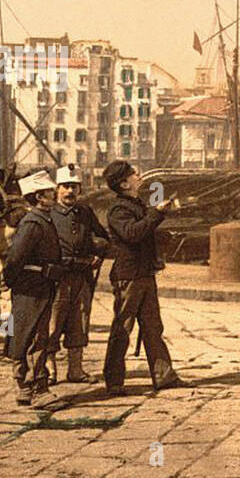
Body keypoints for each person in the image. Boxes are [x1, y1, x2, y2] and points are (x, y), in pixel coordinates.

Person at [100, 159, 187, 395]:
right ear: (124, 183)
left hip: (144, 274)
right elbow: (132, 234)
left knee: (152, 327)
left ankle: (164, 376)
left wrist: (162, 231)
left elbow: (143, 232)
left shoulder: (135, 205)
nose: (139, 177)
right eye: (135, 175)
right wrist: (157, 214)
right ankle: (114, 381)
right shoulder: (119, 210)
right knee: (122, 328)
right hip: (128, 276)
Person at [2, 170, 64, 409]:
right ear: (39, 197)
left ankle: (25, 388)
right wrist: (13, 281)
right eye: (50, 192)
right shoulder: (33, 223)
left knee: (26, 334)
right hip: (32, 288)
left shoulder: (42, 220)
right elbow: (15, 258)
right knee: (33, 337)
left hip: (38, 286)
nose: (54, 194)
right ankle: (37, 389)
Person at [44, 163, 109, 383]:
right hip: (56, 278)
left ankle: (75, 370)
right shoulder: (49, 213)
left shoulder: (85, 212)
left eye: (74, 187)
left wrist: (99, 253)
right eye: (65, 186)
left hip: (81, 277)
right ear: (57, 189)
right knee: (52, 324)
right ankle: (49, 370)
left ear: (80, 189)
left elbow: (102, 238)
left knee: (79, 322)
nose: (70, 191)